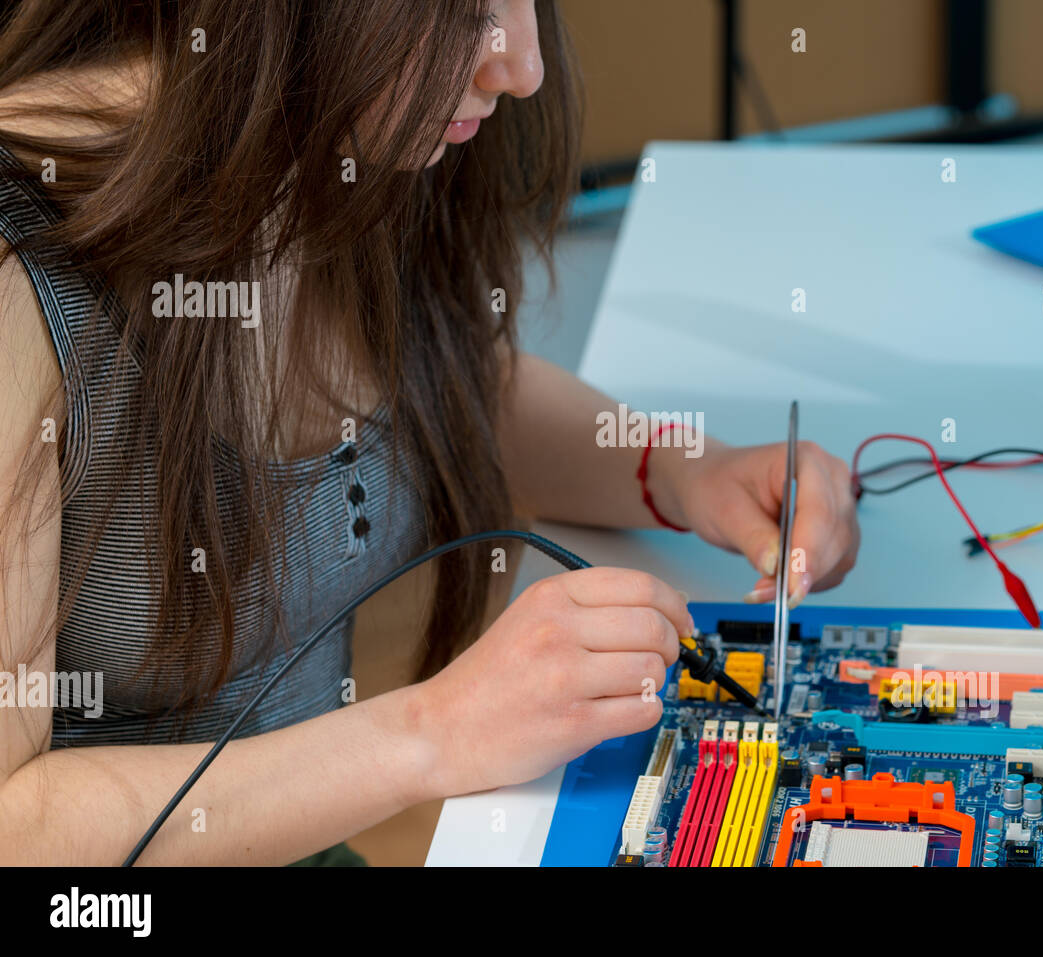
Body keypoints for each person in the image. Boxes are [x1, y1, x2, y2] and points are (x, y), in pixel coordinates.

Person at [0, 0, 859, 865]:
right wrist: (434, 733)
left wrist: (678, 465)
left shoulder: (334, 134)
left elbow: (431, 387)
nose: (523, 68)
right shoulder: (18, 267)